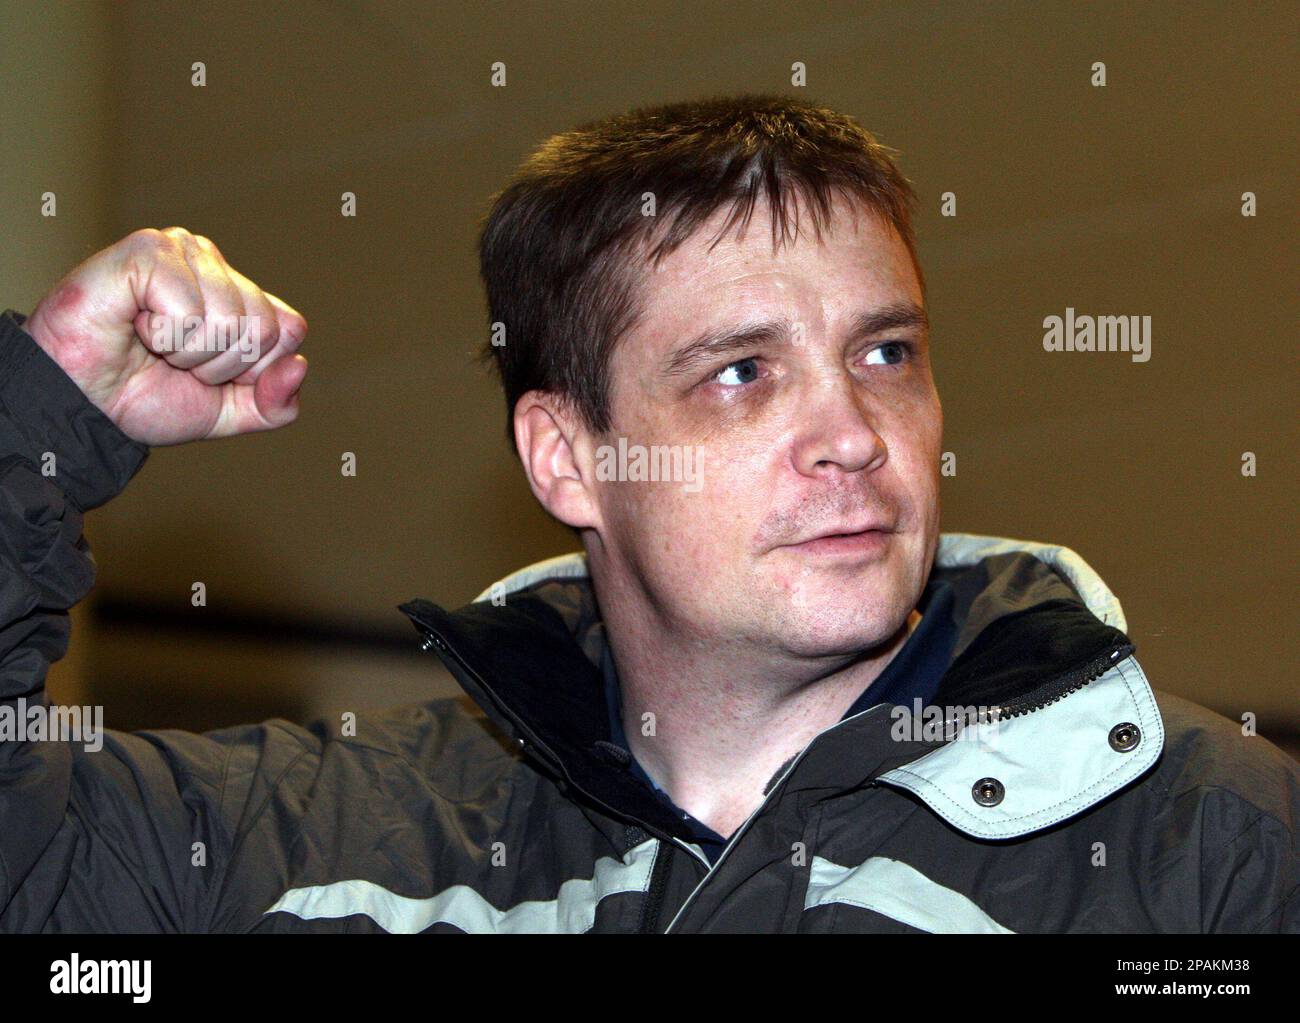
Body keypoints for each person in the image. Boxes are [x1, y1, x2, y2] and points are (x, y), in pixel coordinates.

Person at [0, 94, 1294, 933]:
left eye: (887, 355)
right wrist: (39, 422)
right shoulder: (342, 844)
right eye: (742, 374)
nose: (852, 435)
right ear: (567, 461)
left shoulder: (1204, 848)